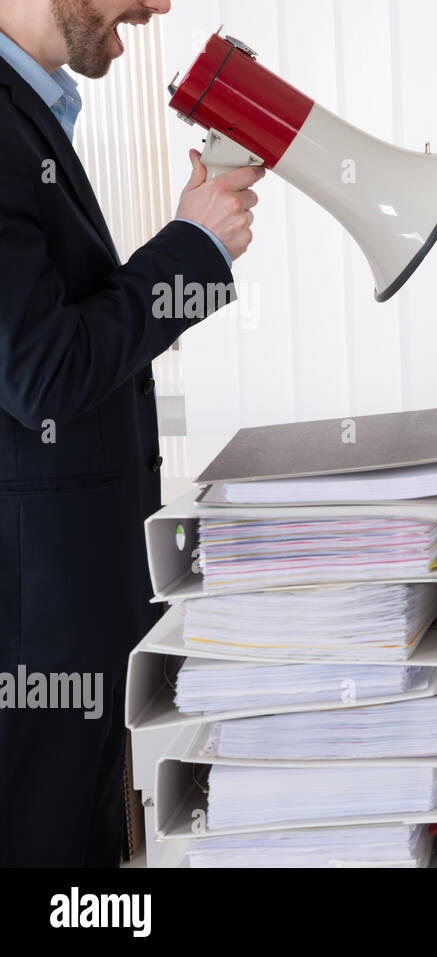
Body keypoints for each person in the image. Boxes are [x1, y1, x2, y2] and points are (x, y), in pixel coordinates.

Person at [0, 0, 264, 865]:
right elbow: (42, 373)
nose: (158, 4)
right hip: (32, 632)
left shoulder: (31, 110)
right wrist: (190, 250)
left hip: (62, 617)